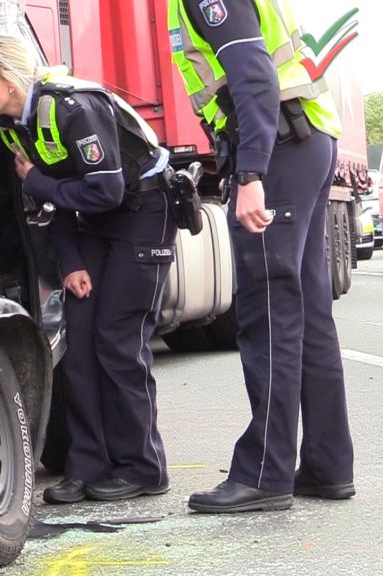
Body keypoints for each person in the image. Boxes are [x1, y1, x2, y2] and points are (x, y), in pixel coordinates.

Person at [0, 35, 177, 504]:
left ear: (9, 75)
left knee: (117, 342)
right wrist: (72, 262)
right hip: (92, 223)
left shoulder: (73, 108)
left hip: (140, 214)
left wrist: (37, 180)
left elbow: (106, 190)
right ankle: (88, 467)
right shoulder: (12, 125)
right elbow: (53, 193)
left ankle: (143, 468)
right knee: (78, 347)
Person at [167, 0, 355, 513]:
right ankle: (327, 464)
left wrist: (250, 174)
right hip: (304, 139)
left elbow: (253, 79)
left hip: (280, 149)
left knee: (269, 310)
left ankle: (264, 474)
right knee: (311, 314)